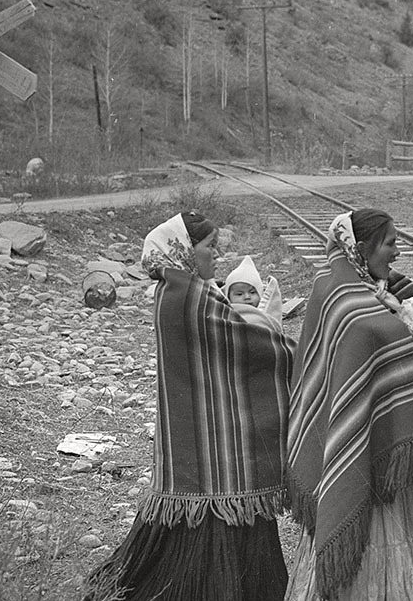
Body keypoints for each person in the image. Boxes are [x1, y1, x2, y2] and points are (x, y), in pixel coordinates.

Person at [82, 211, 294, 601]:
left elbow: (227, 338)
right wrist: (285, 344)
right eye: (209, 247)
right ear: (184, 249)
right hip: (209, 443)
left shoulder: (184, 288)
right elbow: (244, 341)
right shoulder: (187, 294)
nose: (215, 254)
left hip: (194, 437)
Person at [285, 209, 413, 601]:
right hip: (368, 450)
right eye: (390, 243)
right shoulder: (351, 303)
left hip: (382, 442)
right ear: (362, 248)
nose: (397, 252)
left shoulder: (346, 287)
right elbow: (363, 357)